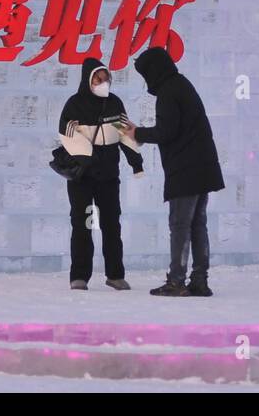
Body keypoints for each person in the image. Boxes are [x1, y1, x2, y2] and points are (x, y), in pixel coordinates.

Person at [126, 46, 225, 297]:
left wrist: (137, 133)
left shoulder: (169, 92)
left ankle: (177, 281)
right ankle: (199, 280)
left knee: (180, 224)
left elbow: (166, 132)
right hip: (203, 166)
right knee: (197, 224)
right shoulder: (181, 85)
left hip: (186, 168)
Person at [59, 57, 144, 291]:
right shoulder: (74, 104)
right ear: (88, 79)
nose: (103, 82)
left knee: (111, 225)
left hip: (108, 178)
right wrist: (87, 157)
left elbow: (125, 134)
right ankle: (79, 276)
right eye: (98, 78)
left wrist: (136, 161)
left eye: (106, 78)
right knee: (83, 225)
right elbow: (66, 133)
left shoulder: (115, 103)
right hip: (82, 179)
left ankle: (115, 275)